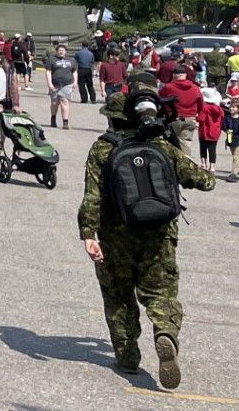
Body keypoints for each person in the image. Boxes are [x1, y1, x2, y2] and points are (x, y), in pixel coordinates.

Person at [79, 78, 216, 388]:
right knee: (161, 293)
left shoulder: (102, 148)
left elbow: (92, 196)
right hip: (159, 235)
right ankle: (165, 333)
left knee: (118, 295)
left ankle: (127, 357)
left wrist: (88, 234)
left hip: (116, 236)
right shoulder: (160, 144)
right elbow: (204, 181)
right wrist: (203, 170)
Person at [75, 40, 98, 105]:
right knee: (90, 85)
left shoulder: (78, 53)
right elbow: (92, 62)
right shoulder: (91, 53)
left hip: (81, 69)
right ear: (88, 46)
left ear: (82, 45)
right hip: (88, 70)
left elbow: (76, 61)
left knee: (81, 85)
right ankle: (93, 99)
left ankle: (84, 99)